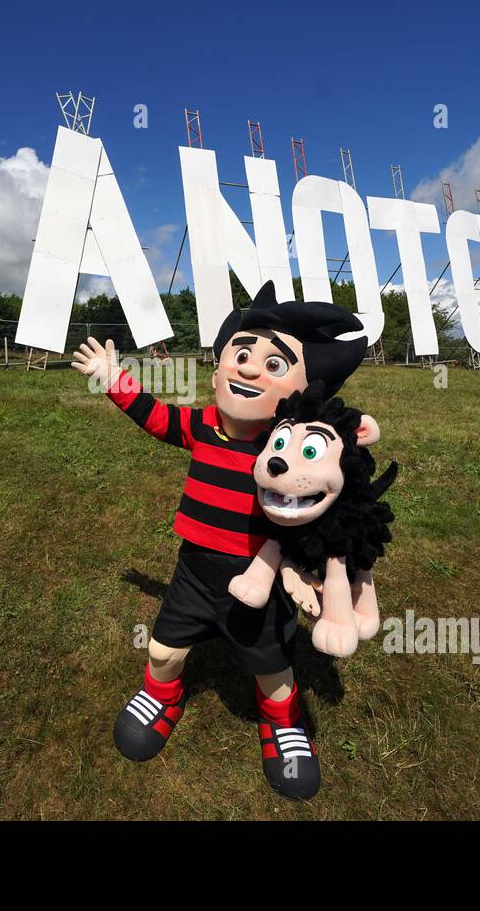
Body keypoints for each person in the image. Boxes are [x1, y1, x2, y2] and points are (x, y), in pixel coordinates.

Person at [70, 282, 369, 799]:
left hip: (260, 577)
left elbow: (330, 491)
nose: (251, 368)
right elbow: (156, 416)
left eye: (274, 365)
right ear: (216, 372)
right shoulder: (204, 426)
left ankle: (282, 722)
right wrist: (112, 380)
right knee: (163, 650)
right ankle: (162, 694)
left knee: (272, 669)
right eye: (243, 354)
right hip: (193, 571)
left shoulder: (286, 449)